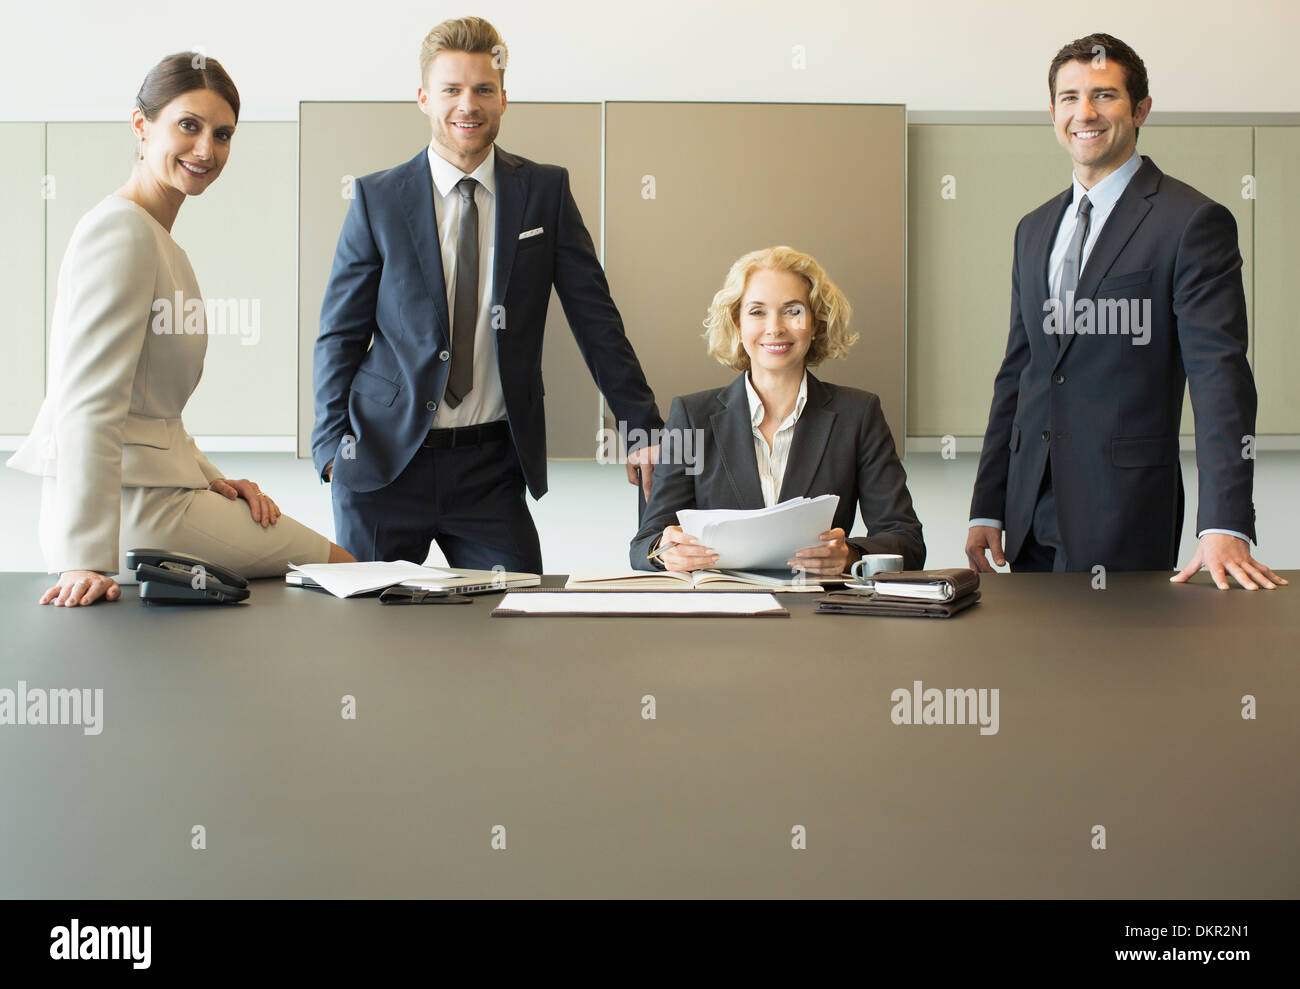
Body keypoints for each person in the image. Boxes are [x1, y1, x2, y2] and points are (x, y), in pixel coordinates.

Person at [312, 16, 662, 573]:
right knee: (366, 642)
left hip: (490, 468)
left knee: (516, 627)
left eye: (483, 89)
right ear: (425, 97)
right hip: (382, 462)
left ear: (503, 99)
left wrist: (641, 425)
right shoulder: (378, 199)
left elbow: (595, 319)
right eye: (451, 89)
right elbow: (341, 333)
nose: (467, 105)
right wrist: (330, 449)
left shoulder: (543, 192)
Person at [6, 53, 353, 607]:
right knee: (344, 568)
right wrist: (86, 561)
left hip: (157, 492)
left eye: (222, 134)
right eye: (188, 126)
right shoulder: (120, 233)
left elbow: (154, 413)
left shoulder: (160, 241)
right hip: (135, 513)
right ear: (141, 126)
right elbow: (89, 402)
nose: (206, 150)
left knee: (338, 569)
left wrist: (209, 476)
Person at [966, 33, 1286, 591]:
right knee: (1033, 674)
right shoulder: (1033, 229)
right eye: (1068, 98)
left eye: (1104, 96)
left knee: (1119, 676)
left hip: (1125, 513)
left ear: (1140, 110)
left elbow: (1220, 379)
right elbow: (1021, 371)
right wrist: (987, 505)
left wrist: (1225, 520)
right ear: (1052, 112)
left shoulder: (1190, 222)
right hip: (1028, 513)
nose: (1083, 113)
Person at [630, 246, 925, 574]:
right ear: (737, 324)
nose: (775, 328)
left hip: (820, 613)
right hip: (723, 612)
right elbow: (644, 544)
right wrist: (664, 551)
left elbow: (907, 541)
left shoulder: (859, 414)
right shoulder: (690, 416)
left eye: (793, 310)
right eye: (757, 312)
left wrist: (851, 555)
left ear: (815, 323)